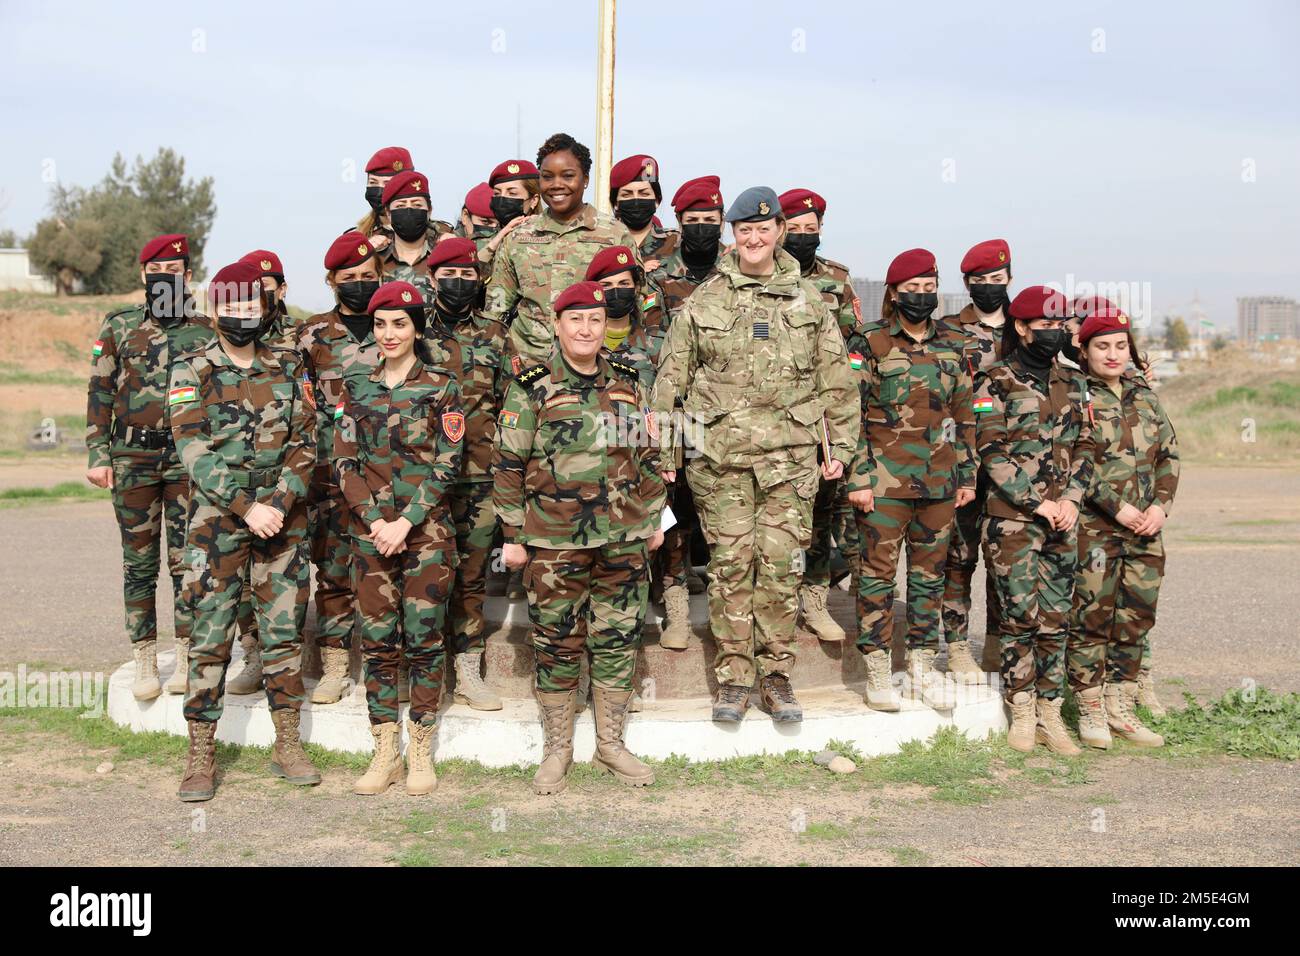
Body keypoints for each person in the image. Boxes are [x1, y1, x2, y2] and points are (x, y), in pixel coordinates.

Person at [652, 186, 858, 724]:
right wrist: (667, 450)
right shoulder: (705, 300)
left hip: (790, 459)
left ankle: (776, 676)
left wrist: (841, 447)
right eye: (744, 230)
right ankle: (734, 678)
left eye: (764, 229)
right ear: (733, 235)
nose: (754, 238)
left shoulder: (810, 301)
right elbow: (671, 378)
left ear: (781, 233)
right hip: (721, 460)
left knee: (781, 567)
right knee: (729, 567)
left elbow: (837, 381)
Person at [494, 281, 665, 795]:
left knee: (618, 637)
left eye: (594, 320)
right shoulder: (532, 384)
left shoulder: (630, 381)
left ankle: (610, 744)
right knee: (557, 642)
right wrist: (512, 533)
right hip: (554, 539)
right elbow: (507, 463)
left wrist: (654, 517)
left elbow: (650, 455)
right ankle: (558, 750)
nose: (586, 329)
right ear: (557, 324)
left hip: (624, 536)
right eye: (575, 320)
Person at [169, 260, 319, 801]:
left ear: (265, 308)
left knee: (282, 636)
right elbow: (193, 450)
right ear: (215, 312)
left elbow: (307, 441)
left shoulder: (287, 366)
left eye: (249, 306)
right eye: (230, 307)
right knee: (210, 639)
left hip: (282, 523)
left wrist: (277, 501)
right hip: (217, 527)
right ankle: (201, 754)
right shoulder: (191, 371)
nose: (241, 316)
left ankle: (287, 744)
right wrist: (244, 506)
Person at [333, 282, 464, 794]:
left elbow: (449, 462)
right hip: (370, 537)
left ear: (416, 328)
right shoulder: (356, 387)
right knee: (379, 641)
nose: (389, 334)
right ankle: (385, 748)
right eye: (381, 324)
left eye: (400, 324)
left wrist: (406, 521)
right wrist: (374, 520)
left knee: (425, 637)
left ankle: (421, 748)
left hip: (425, 533)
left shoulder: (442, 387)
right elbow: (344, 460)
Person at [845, 248, 975, 711]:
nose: (921, 297)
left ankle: (922, 666)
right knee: (877, 578)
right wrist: (857, 478)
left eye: (928, 289)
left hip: (939, 482)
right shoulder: (870, 342)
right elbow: (849, 415)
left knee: (929, 580)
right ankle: (877, 670)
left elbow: (965, 412)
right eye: (911, 290)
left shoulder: (953, 344)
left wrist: (968, 473)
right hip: (882, 485)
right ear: (894, 294)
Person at [86, 234, 213, 701]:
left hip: (185, 460)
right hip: (133, 459)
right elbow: (99, 391)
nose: (168, 276)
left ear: (187, 275)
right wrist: (98, 454)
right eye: (159, 269)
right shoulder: (119, 326)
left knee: (186, 560)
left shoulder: (203, 328)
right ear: (144, 275)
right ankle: (143, 655)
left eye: (177, 268)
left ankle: (184, 653)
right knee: (138, 563)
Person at [974, 285, 1094, 755]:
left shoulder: (1075, 381)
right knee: (1019, 617)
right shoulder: (994, 381)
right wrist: (1035, 502)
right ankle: (1021, 709)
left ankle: (1050, 711)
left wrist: (1073, 499)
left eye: (1059, 325)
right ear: (1021, 327)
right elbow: (991, 450)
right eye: (1043, 325)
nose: (1053, 333)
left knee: (1056, 619)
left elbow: (1087, 444)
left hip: (1063, 521)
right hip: (1013, 522)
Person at [1068, 298, 1177, 748]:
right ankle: (1090, 709)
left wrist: (1161, 506)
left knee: (1136, 615)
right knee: (1093, 616)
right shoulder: (1076, 395)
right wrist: (1118, 508)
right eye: (1102, 346)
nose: (1112, 354)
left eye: (1119, 346)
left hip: (1147, 528)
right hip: (1097, 528)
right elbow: (1077, 461)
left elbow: (1169, 454)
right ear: (1086, 352)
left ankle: (1121, 705)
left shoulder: (1145, 398)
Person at [293, 233, 385, 704]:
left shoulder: (396, 327)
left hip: (383, 474)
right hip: (328, 474)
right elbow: (299, 402)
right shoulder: (311, 335)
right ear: (332, 282)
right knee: (331, 570)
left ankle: (381, 663)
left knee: (380, 573)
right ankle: (333, 664)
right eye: (350, 279)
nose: (360, 285)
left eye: (369, 278)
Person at [422, 238, 510, 710]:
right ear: (432, 278)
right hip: (424, 478)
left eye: (468, 275)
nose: (459, 283)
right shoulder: (413, 331)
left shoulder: (496, 335)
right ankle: (426, 671)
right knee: (427, 575)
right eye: (449, 275)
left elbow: (509, 401)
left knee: (473, 575)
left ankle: (469, 671)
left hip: (479, 475)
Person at [583, 246, 682, 655]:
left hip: (649, 452)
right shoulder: (582, 338)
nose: (616, 293)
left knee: (670, 529)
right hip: (594, 458)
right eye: (607, 286)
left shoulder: (660, 338)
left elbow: (676, 396)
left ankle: (675, 605)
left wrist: (669, 457)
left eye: (625, 285)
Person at [779, 188, 864, 645]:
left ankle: (813, 599)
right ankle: (773, 600)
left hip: (821, 413)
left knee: (821, 509)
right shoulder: (763, 274)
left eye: (810, 230)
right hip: (774, 413)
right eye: (794, 230)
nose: (803, 237)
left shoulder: (836, 279)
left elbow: (851, 350)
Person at [485, 133, 637, 369]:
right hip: (526, 367)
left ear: (585, 179)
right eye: (547, 177)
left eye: (568, 176)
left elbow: (632, 308)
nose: (557, 185)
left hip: (592, 369)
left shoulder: (615, 235)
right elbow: (496, 310)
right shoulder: (519, 237)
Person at [940, 239, 1014, 678]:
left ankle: (998, 643)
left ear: (1009, 279)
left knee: (1006, 556)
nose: (989, 287)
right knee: (960, 556)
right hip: (963, 459)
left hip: (1015, 462)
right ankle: (955, 646)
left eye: (997, 279)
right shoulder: (948, 329)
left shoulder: (1025, 326)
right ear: (967, 284)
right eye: (980, 281)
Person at [357, 146, 453, 252]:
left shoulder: (443, 234)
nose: (380, 191)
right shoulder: (360, 237)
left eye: (388, 183)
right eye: (373, 182)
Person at [377, 170, 438, 302]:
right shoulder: (375, 260)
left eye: (416, 205)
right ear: (388, 213)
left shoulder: (443, 257)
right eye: (401, 205)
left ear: (429, 210)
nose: (409, 210)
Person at [610, 153, 677, 272]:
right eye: (627, 194)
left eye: (644, 193)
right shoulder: (601, 242)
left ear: (657, 201)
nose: (636, 200)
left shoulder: (676, 242)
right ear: (616, 203)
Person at [479, 158, 541, 274]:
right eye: (497, 193)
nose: (502, 199)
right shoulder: (483, 242)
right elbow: (472, 278)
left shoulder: (547, 236)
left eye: (512, 193)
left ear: (533, 200)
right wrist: (497, 240)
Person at [455, 182, 499, 253]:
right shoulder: (448, 247)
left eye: (499, 224)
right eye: (486, 222)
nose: (494, 228)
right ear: (465, 216)